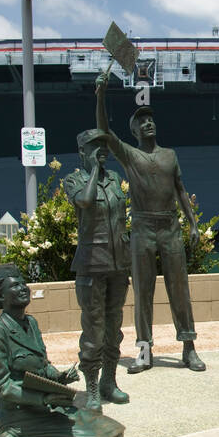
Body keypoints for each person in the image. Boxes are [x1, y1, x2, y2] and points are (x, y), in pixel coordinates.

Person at [94, 71, 205, 373]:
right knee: (143, 292)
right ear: (134, 131)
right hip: (143, 226)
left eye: (150, 119)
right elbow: (104, 130)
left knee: (179, 289)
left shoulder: (170, 155)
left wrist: (192, 223)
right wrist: (101, 95)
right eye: (141, 121)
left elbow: (181, 190)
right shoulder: (129, 155)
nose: (148, 122)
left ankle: (189, 347)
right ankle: (144, 352)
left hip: (170, 226)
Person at [0, 263, 124, 437]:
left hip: (47, 407)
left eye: (23, 284)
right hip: (19, 416)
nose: (23, 288)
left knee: (114, 433)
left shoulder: (31, 323)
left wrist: (60, 377)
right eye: (14, 286)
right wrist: (41, 398)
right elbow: (1, 386)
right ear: (0, 296)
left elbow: (43, 364)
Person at [63, 127, 131, 412]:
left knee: (114, 328)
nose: (102, 151)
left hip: (118, 265)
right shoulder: (74, 179)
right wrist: (92, 171)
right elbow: (85, 201)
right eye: (94, 147)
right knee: (93, 330)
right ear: (82, 153)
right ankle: (91, 388)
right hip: (91, 265)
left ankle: (109, 382)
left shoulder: (115, 179)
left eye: (103, 146)